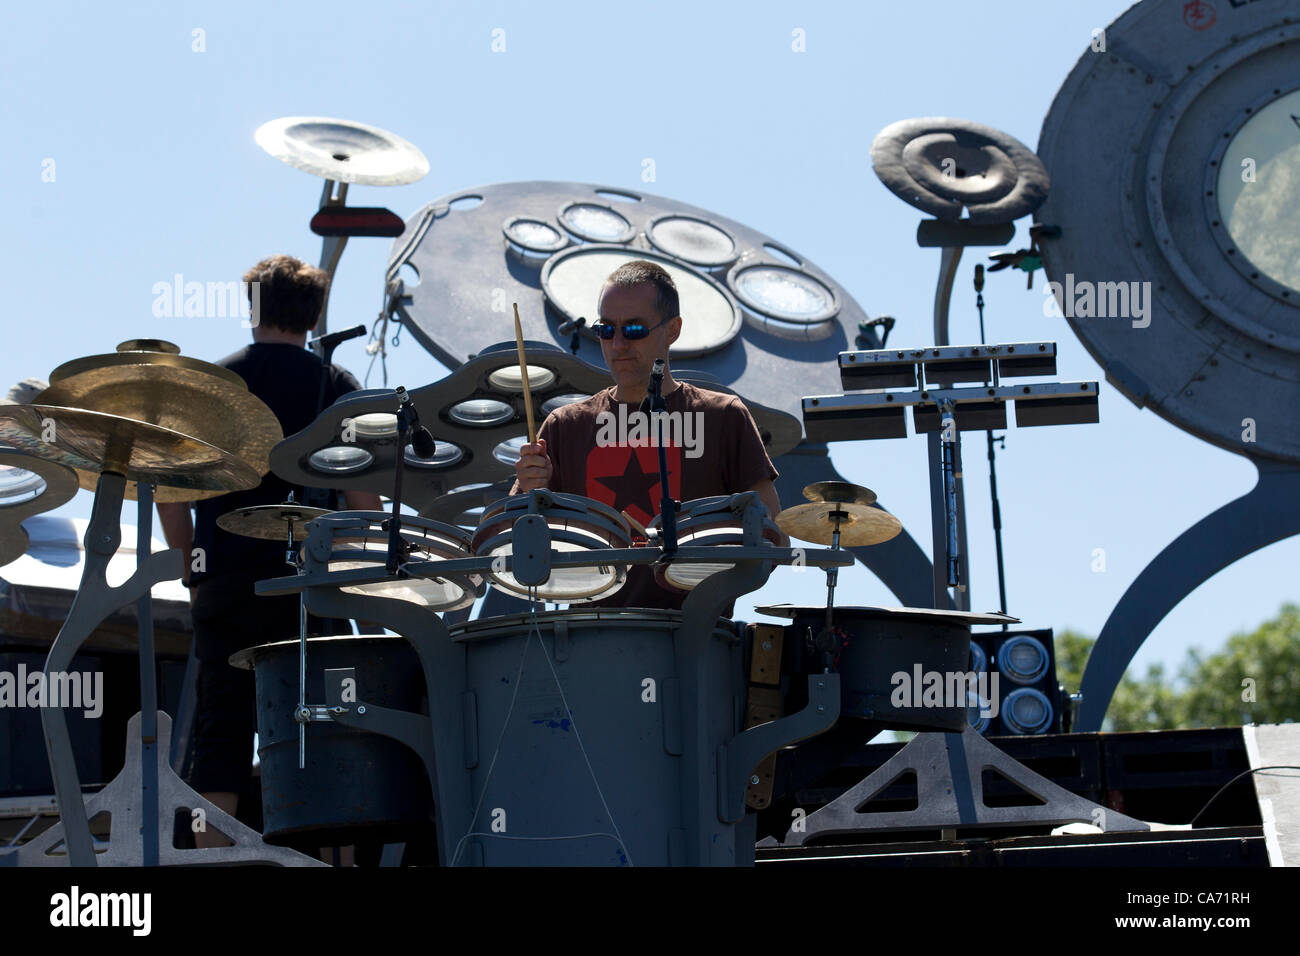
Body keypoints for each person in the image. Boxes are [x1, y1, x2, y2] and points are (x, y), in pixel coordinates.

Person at [157, 254, 381, 849]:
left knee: (220, 735)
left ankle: (208, 861)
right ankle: (332, 857)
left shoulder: (214, 387)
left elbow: (171, 493)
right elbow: (363, 503)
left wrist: (191, 568)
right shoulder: (335, 387)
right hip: (310, 585)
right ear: (314, 314)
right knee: (327, 729)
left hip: (227, 581)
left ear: (250, 307)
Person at [512, 259, 785, 609]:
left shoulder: (723, 417)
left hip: (697, 637)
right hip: (586, 642)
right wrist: (533, 493)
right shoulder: (565, 427)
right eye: (606, 329)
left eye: (635, 330)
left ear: (673, 329)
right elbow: (516, 547)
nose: (618, 343)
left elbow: (773, 537)